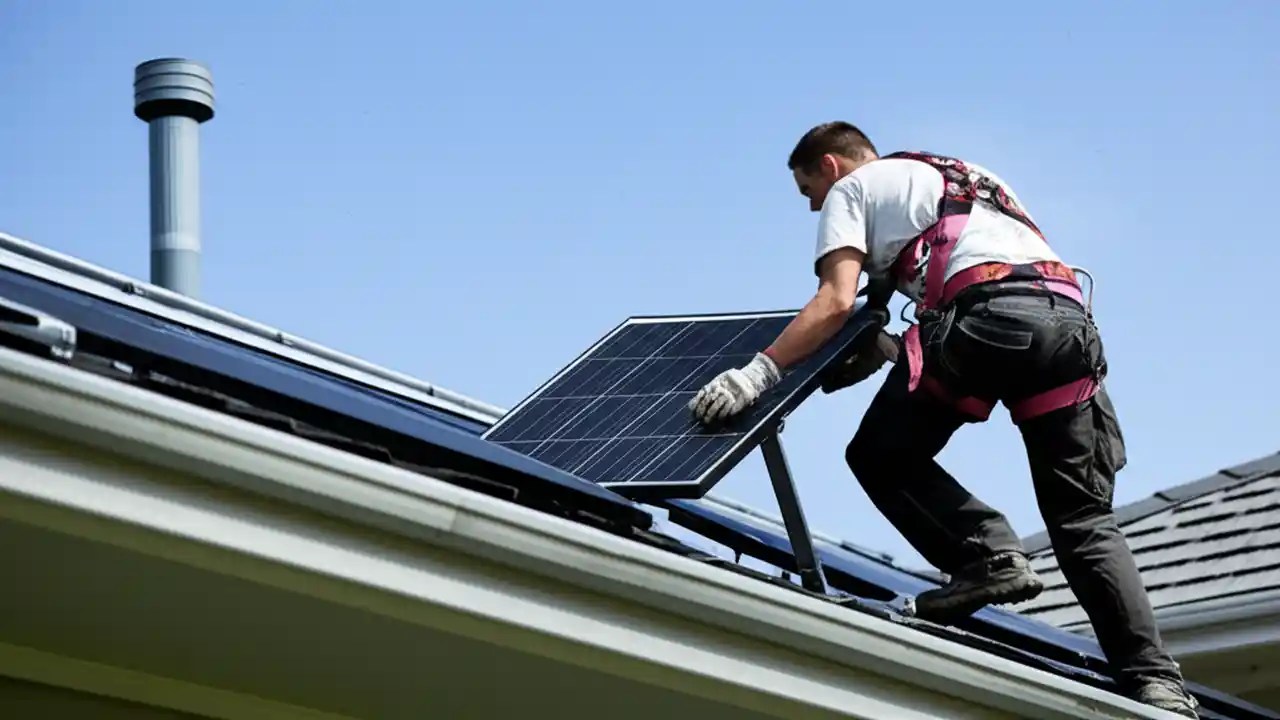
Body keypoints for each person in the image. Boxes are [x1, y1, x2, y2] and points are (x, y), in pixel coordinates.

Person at [688, 121, 1198, 717]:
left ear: (830, 166)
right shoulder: (960, 179)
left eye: (811, 194)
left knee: (879, 455)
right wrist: (868, 348)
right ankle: (1157, 683)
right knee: (1083, 520)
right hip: (1067, 326)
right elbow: (872, 318)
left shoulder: (854, 190)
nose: (814, 208)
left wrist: (759, 373)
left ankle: (988, 558)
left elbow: (834, 300)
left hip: (987, 324)